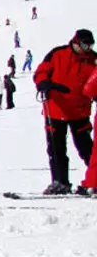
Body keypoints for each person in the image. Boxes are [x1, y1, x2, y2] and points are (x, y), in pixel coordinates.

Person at [34, 28, 96, 194]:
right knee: (56, 148)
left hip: (79, 111)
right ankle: (60, 182)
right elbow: (42, 70)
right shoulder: (58, 54)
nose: (88, 48)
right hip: (55, 109)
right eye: (85, 44)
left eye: (90, 45)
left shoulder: (93, 61)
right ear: (76, 42)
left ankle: (94, 181)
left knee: (86, 147)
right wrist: (42, 82)